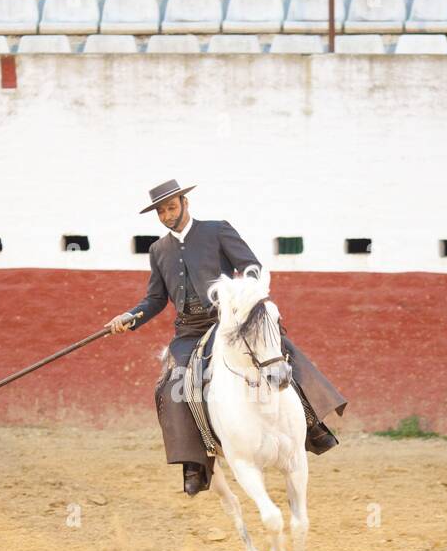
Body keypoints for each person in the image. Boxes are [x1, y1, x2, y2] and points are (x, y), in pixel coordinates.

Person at [106, 179, 347, 496]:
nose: (167, 215)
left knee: (278, 349)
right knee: (171, 383)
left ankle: (312, 422)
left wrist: (247, 297)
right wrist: (130, 317)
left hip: (228, 321)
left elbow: (251, 266)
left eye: (172, 207)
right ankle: (194, 461)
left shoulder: (217, 230)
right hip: (189, 332)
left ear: (185, 203)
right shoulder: (158, 250)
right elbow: (155, 300)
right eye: (161, 211)